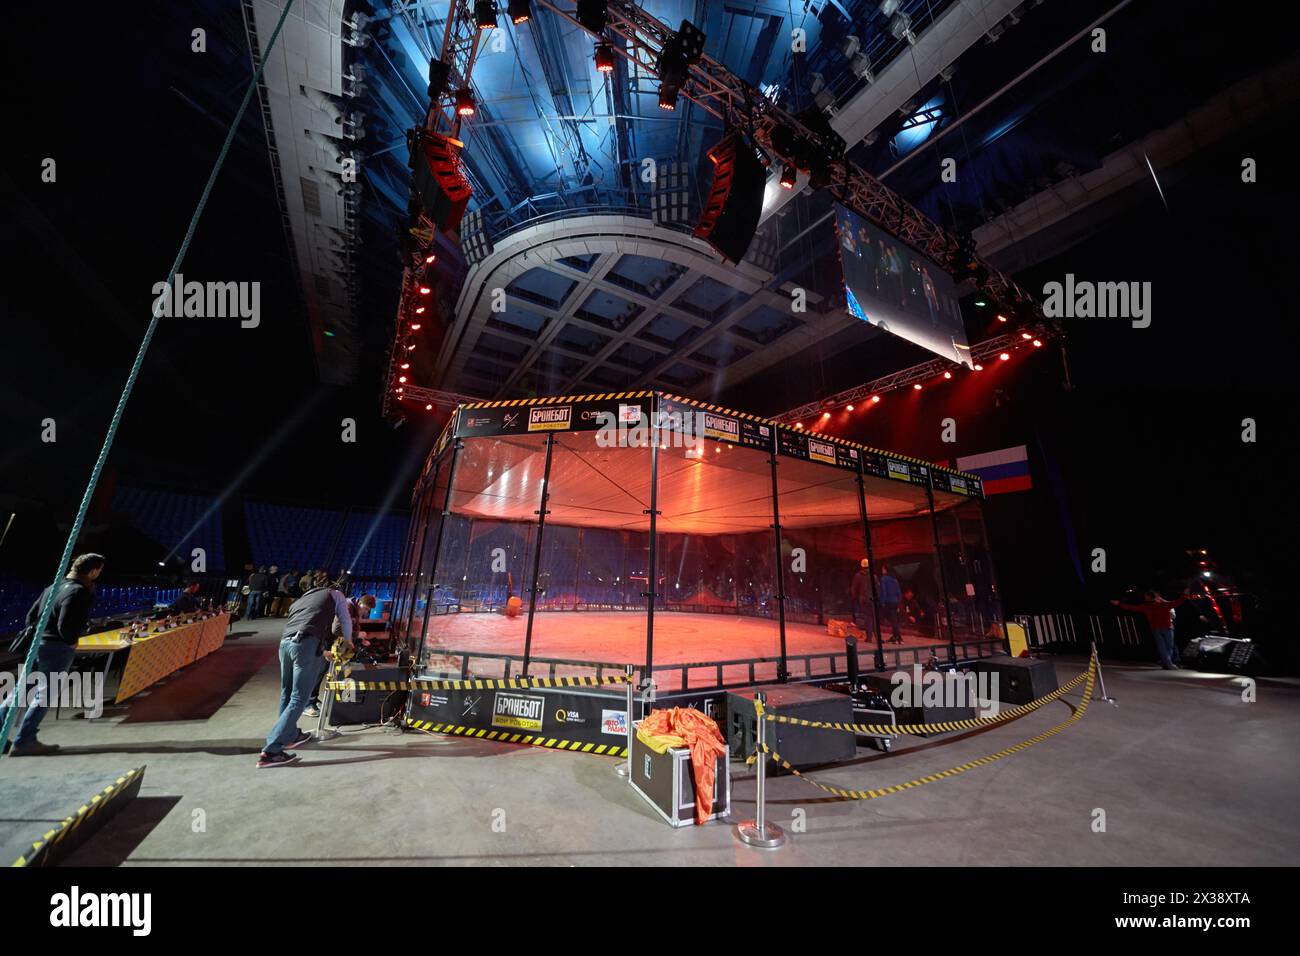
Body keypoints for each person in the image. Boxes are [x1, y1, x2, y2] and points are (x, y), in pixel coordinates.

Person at [2, 553, 105, 756]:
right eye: (99, 570)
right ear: (93, 570)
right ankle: (25, 740)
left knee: (19, 691)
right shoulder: (77, 591)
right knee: (44, 694)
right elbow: (65, 624)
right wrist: (72, 641)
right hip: (56, 648)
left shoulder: (53, 587)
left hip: (38, 645)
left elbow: (30, 616)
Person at [258, 572, 353, 767]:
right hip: (305, 644)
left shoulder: (301, 599)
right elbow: (344, 620)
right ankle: (272, 750)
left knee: (287, 693)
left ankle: (290, 735)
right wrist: (349, 641)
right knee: (299, 698)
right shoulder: (335, 594)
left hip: (285, 644)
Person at [1112, 589, 1190, 669]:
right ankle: (1168, 664)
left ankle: (1167, 663)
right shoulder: (1164, 604)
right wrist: (1185, 595)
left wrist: (1119, 604)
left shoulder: (1148, 606)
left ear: (1149, 597)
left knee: (1162, 647)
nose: (1144, 597)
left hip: (1157, 628)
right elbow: (1178, 601)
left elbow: (1131, 607)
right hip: (1167, 628)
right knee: (1168, 647)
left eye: (1146, 596)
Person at [877, 563, 903, 644]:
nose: (882, 570)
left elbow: (883, 591)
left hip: (888, 602)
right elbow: (899, 592)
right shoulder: (894, 579)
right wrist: (898, 601)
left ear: (885, 570)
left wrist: (882, 602)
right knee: (893, 619)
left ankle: (897, 637)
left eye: (883, 569)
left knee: (881, 619)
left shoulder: (883, 579)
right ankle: (897, 637)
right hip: (895, 602)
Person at [850, 558, 874, 633]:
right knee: (872, 616)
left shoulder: (858, 576)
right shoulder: (873, 575)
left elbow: (854, 588)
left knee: (867, 616)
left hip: (863, 599)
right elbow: (877, 587)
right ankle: (877, 636)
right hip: (872, 599)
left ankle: (869, 636)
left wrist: (854, 597)